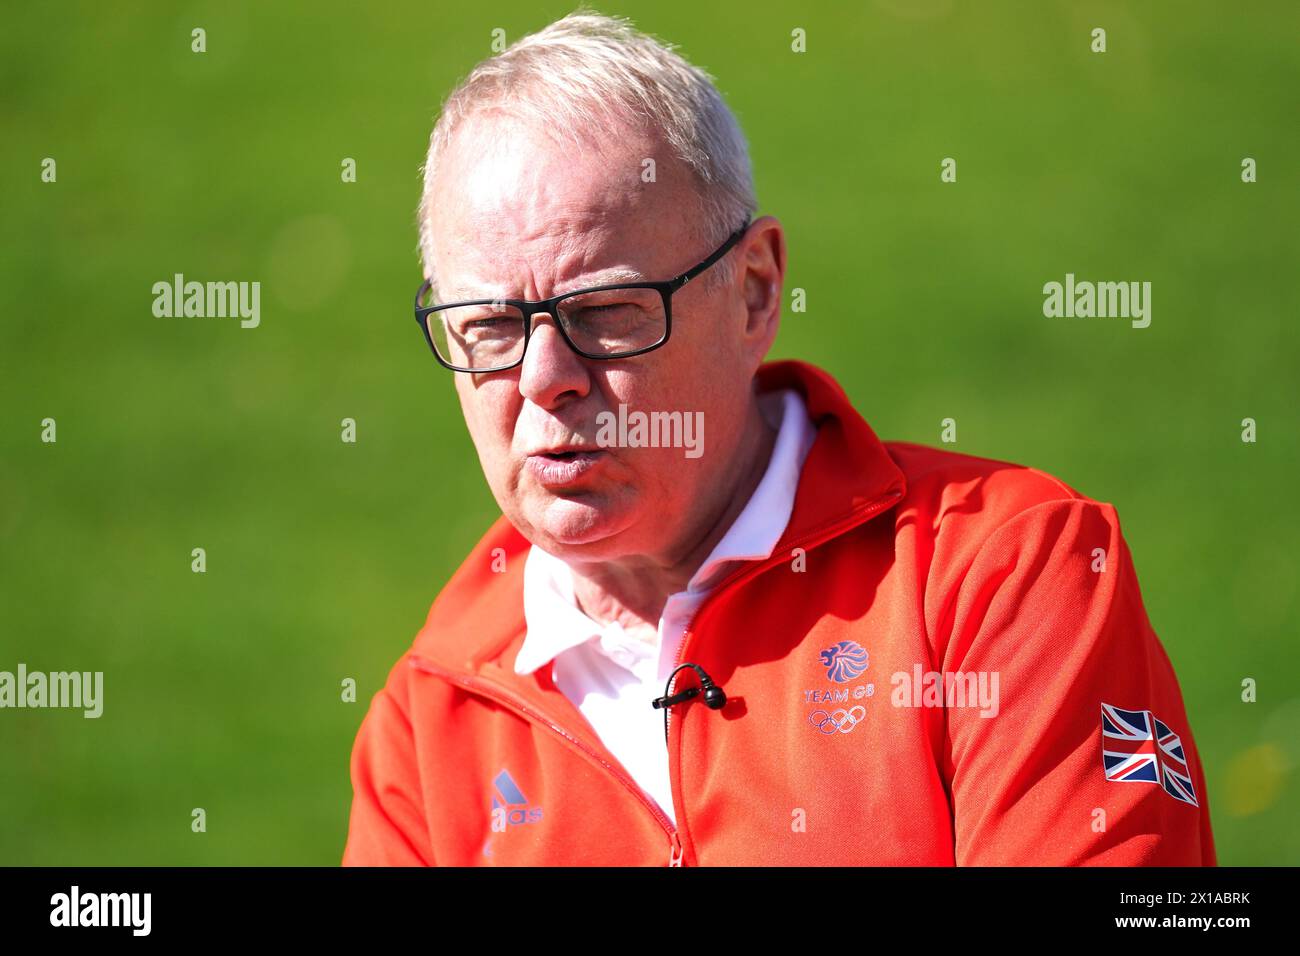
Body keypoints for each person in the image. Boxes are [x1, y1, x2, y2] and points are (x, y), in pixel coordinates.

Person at [342, 10, 1215, 866]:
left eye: (606, 313)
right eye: (490, 325)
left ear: (754, 290)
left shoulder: (1004, 576)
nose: (543, 379)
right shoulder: (430, 727)